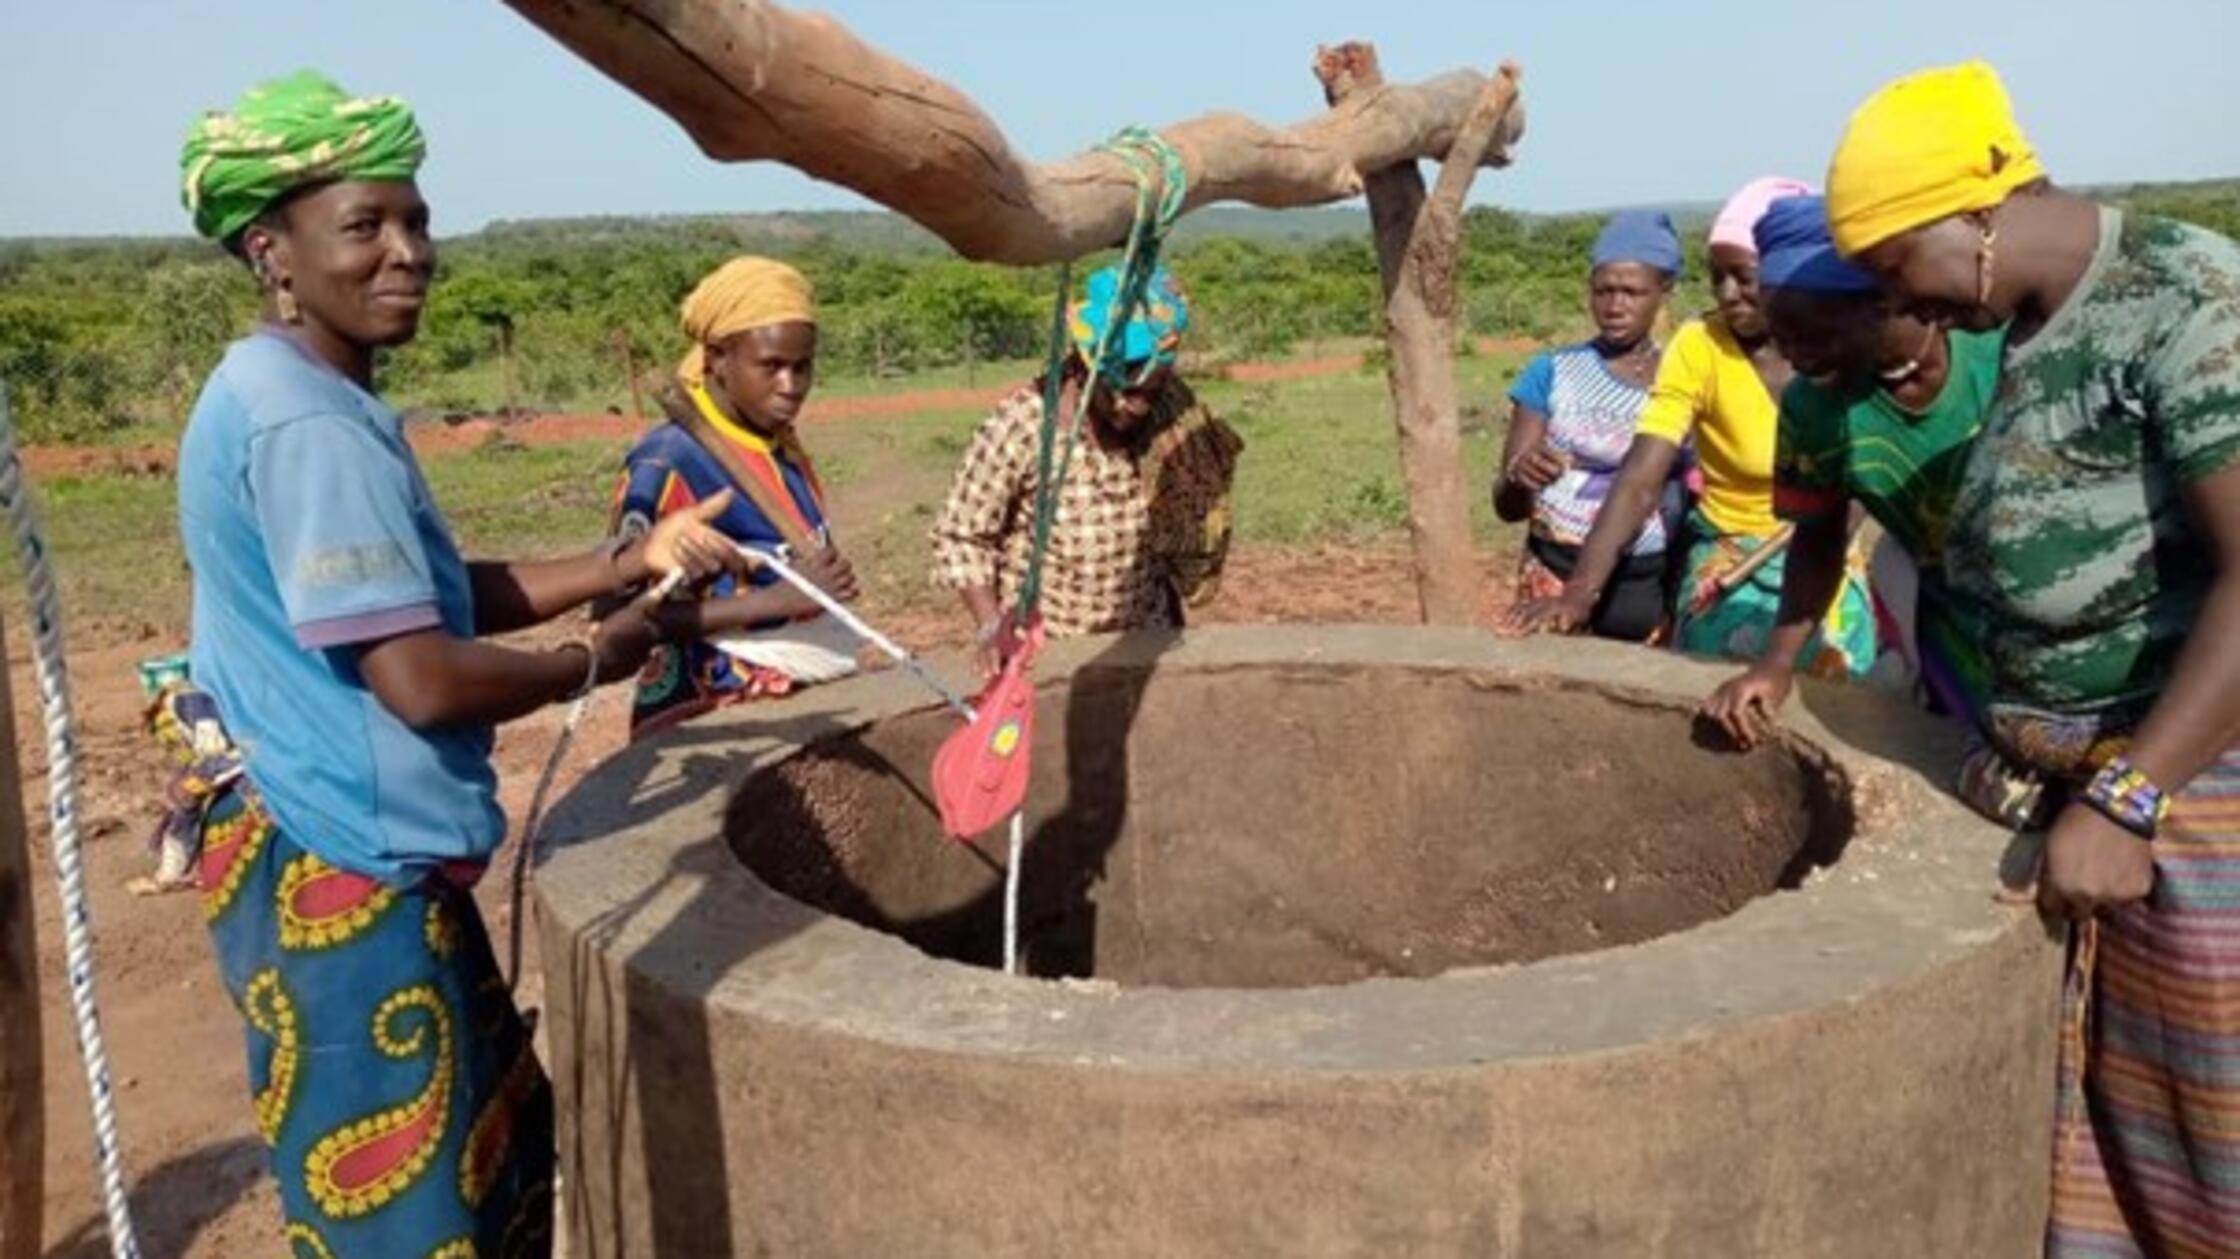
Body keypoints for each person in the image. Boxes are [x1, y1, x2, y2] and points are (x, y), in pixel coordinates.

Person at [168, 72, 739, 1257]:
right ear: (273, 250)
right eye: (365, 225)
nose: (408, 252)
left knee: (476, 1166)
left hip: (327, 836)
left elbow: (416, 589)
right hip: (343, 866)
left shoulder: (287, 391)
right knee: (409, 1211)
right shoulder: (309, 426)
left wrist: (621, 559)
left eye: (415, 222)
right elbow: (420, 676)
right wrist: (602, 651)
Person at [1828, 61, 2240, 1256]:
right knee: (2110, 1144)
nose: (1891, 301)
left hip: (2185, 805)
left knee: (2205, 1153)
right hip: (2078, 793)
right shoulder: (2026, 319)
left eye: (1888, 267)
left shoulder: (2186, 304)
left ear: (1970, 214)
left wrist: (2125, 797)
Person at [1503, 179, 1877, 677]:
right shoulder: (1698, 346)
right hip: (1727, 555)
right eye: (1716, 277)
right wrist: (1577, 596)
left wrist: (1834, 524)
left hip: (1821, 548)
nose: (1729, 295)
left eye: (1745, 277)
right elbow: (1640, 479)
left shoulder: (1848, 347)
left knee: (1842, 676)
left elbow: (1874, 470)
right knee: (1712, 678)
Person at [1702, 194, 2001, 749]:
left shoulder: (1996, 352)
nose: (1790, 355)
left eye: (1806, 333)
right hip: (1949, 614)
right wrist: (1778, 662)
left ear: (1877, 302)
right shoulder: (1813, 408)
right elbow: (1818, 536)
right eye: (1781, 335)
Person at [930, 264, 1243, 678]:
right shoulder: (1023, 426)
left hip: (1145, 637)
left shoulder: (1171, 414)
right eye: (1125, 391)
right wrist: (991, 624)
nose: (1138, 407)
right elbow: (961, 534)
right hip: (1048, 650)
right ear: (1084, 365)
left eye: (1152, 391)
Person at [608, 255, 862, 740]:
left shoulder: (777, 440)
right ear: (717, 359)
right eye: (771, 366)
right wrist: (772, 601)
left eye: (802, 366)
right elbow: (618, 618)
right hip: (716, 711)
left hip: (804, 682)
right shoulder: (667, 464)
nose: (791, 386)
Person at [1493, 209, 1684, 640]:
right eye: (1604, 291)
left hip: (1648, 583)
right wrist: (1519, 476)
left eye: (1633, 292)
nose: (1615, 306)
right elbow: (1507, 507)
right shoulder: (1553, 372)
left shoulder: (1684, 377)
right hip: (1552, 574)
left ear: (1664, 292)